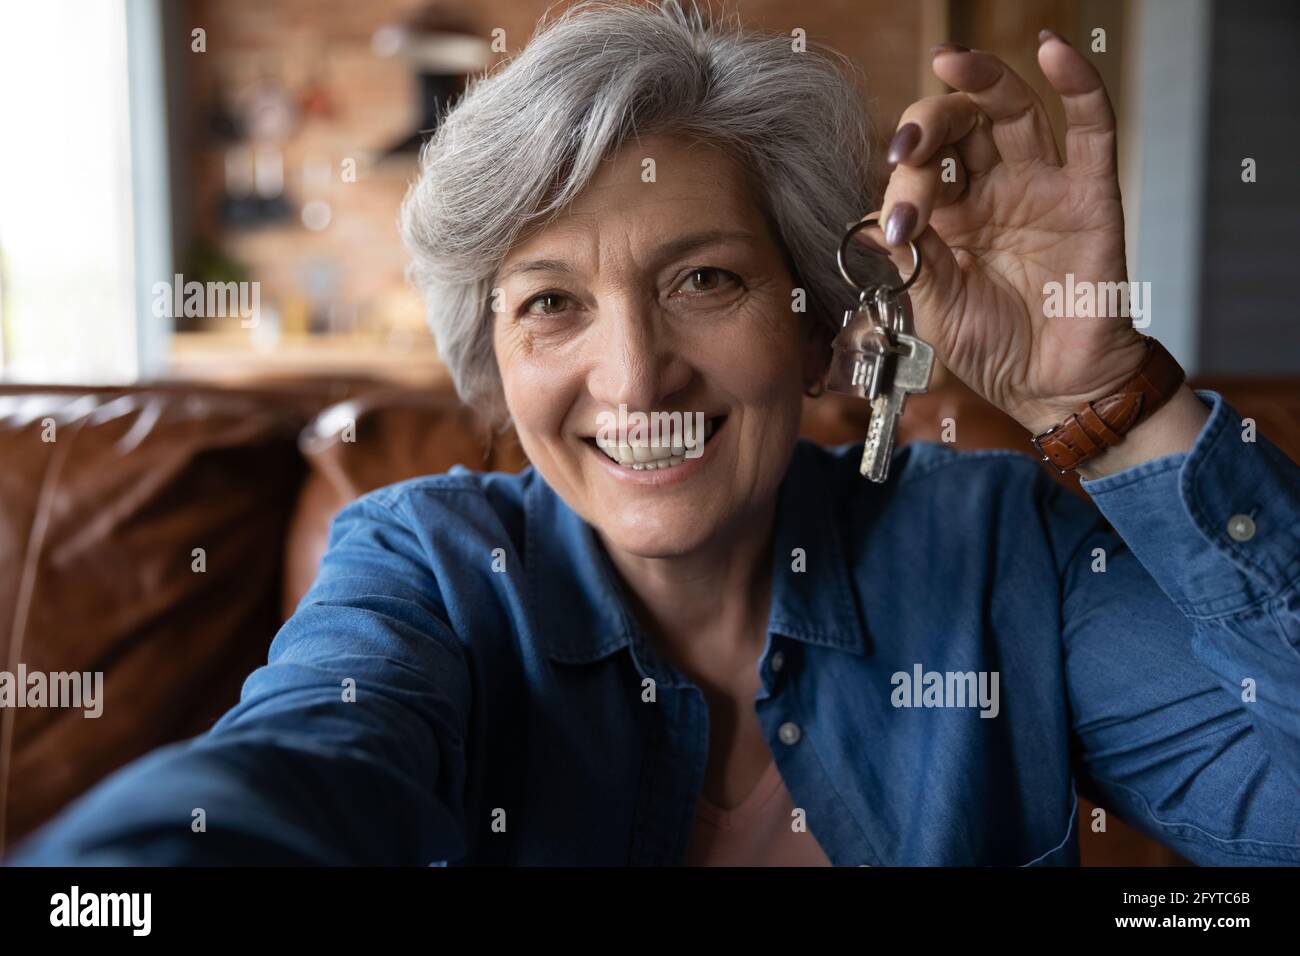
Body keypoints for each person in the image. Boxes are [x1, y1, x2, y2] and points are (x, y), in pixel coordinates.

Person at [11, 0, 1299, 866]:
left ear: (814, 328)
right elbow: (293, 774)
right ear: (496, 358)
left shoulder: (997, 544)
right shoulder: (427, 570)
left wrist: (1109, 399)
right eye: (552, 303)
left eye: (707, 280)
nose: (633, 378)